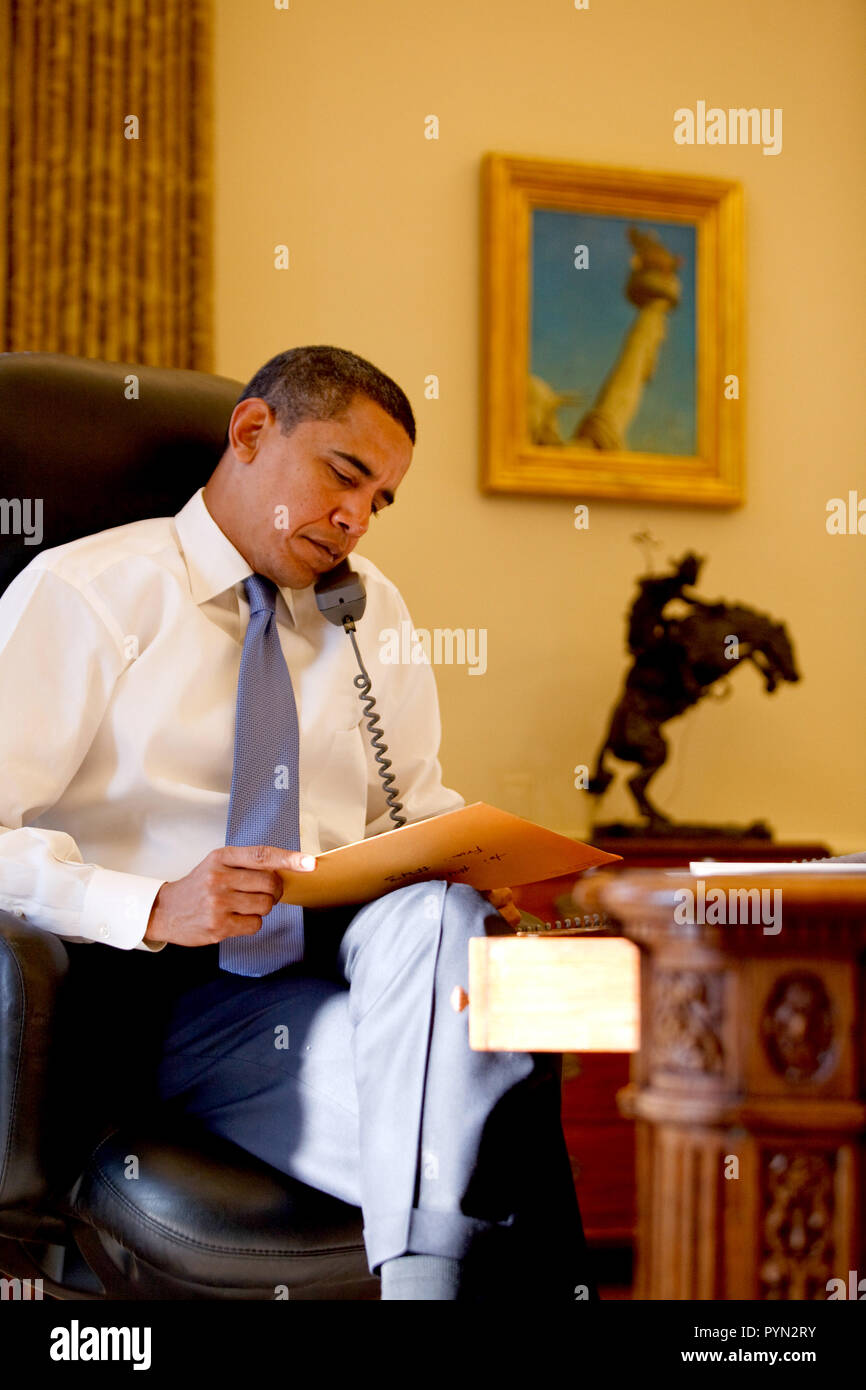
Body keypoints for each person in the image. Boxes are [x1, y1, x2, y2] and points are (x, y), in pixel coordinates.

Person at [0, 345, 596, 1301]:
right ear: (250, 433)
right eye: (345, 475)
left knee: (448, 931)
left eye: (382, 500)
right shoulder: (87, 593)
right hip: (142, 1004)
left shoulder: (370, 612)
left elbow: (405, 806)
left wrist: (489, 860)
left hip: (330, 991)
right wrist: (152, 903)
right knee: (486, 1142)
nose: (357, 518)